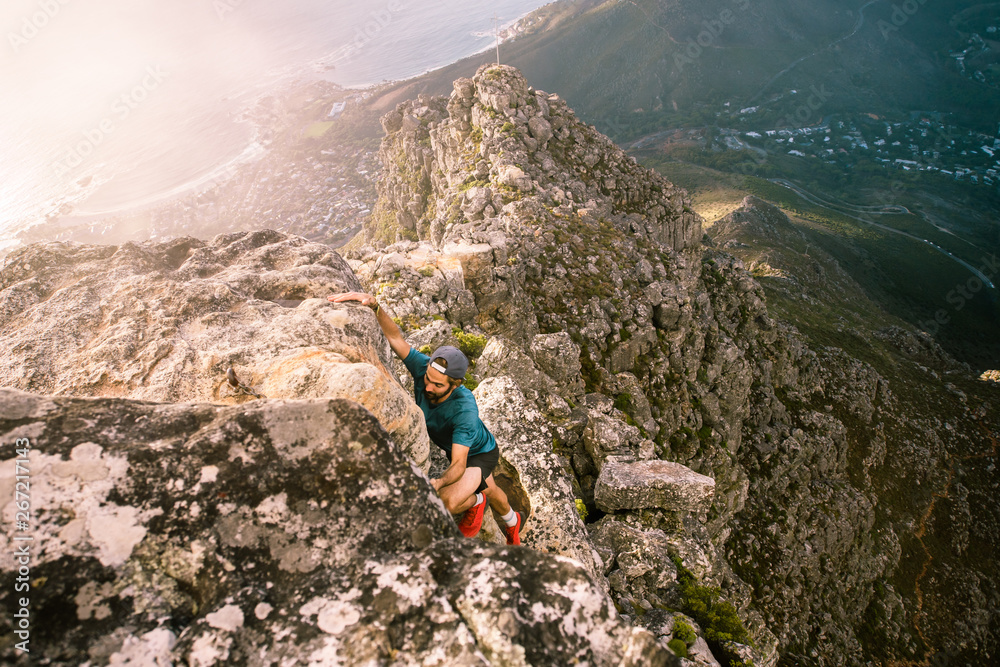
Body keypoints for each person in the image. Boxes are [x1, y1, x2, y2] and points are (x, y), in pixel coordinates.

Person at [328, 291, 523, 545]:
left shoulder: (465, 410)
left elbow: (459, 464)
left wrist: (440, 482)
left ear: (455, 384)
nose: (428, 386)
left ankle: (491, 512)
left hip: (479, 454)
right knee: (490, 488)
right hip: (459, 448)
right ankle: (500, 513)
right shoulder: (425, 369)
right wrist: (376, 307)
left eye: (437, 385)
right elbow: (395, 337)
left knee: (452, 500)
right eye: (427, 379)